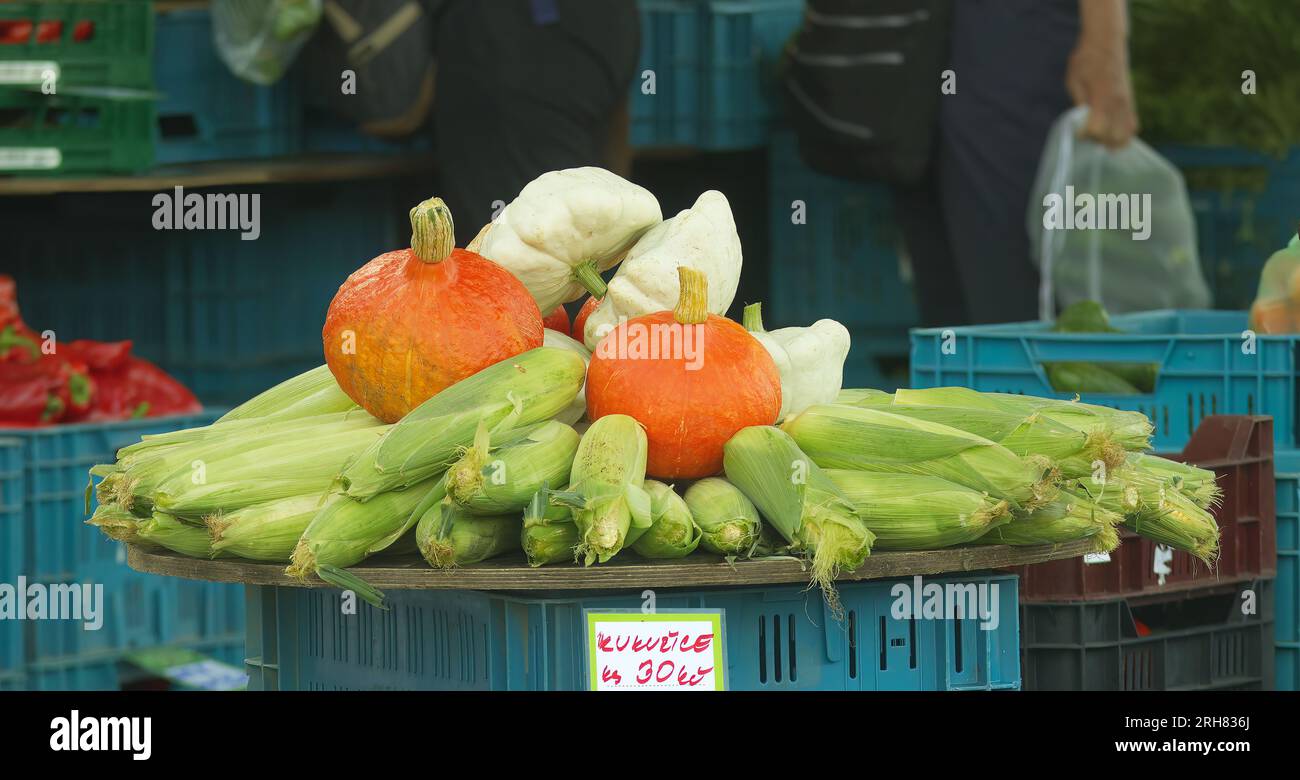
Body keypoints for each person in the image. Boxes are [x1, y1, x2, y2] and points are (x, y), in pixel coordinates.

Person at [896, 0, 1140, 325]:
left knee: (1014, 285)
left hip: (1012, 35)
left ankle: (1022, 372)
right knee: (945, 299)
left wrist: (1106, 43)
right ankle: (959, 373)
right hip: (912, 35)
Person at [430, 0, 640, 245]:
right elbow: (617, 126)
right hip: (584, 235)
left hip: (495, 243)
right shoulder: (617, 14)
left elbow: (401, 113)